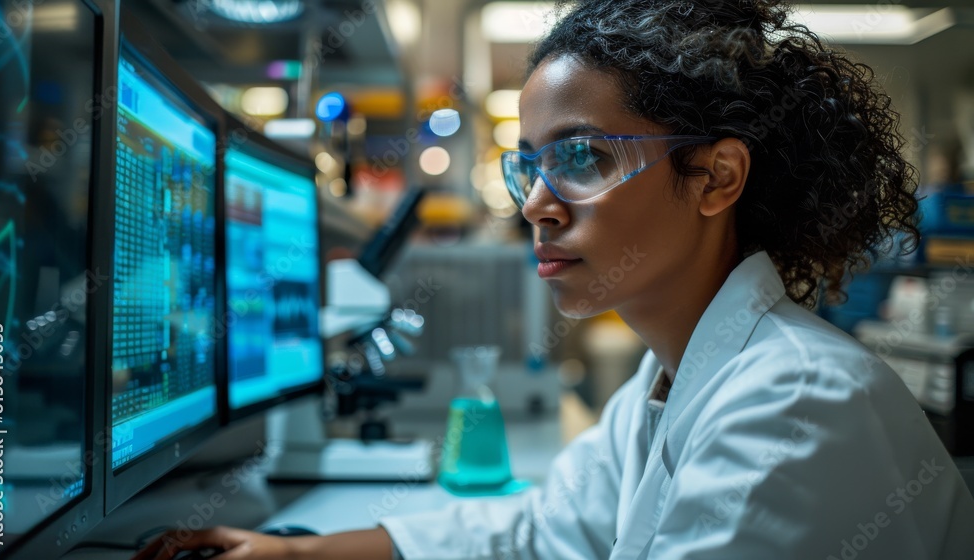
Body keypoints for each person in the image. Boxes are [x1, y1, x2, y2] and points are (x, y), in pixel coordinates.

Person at [133, 1, 974, 558]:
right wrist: (303, 552)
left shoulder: (793, 404)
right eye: (528, 166)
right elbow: (539, 528)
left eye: (581, 158)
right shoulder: (677, 374)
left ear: (716, 178)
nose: (536, 203)